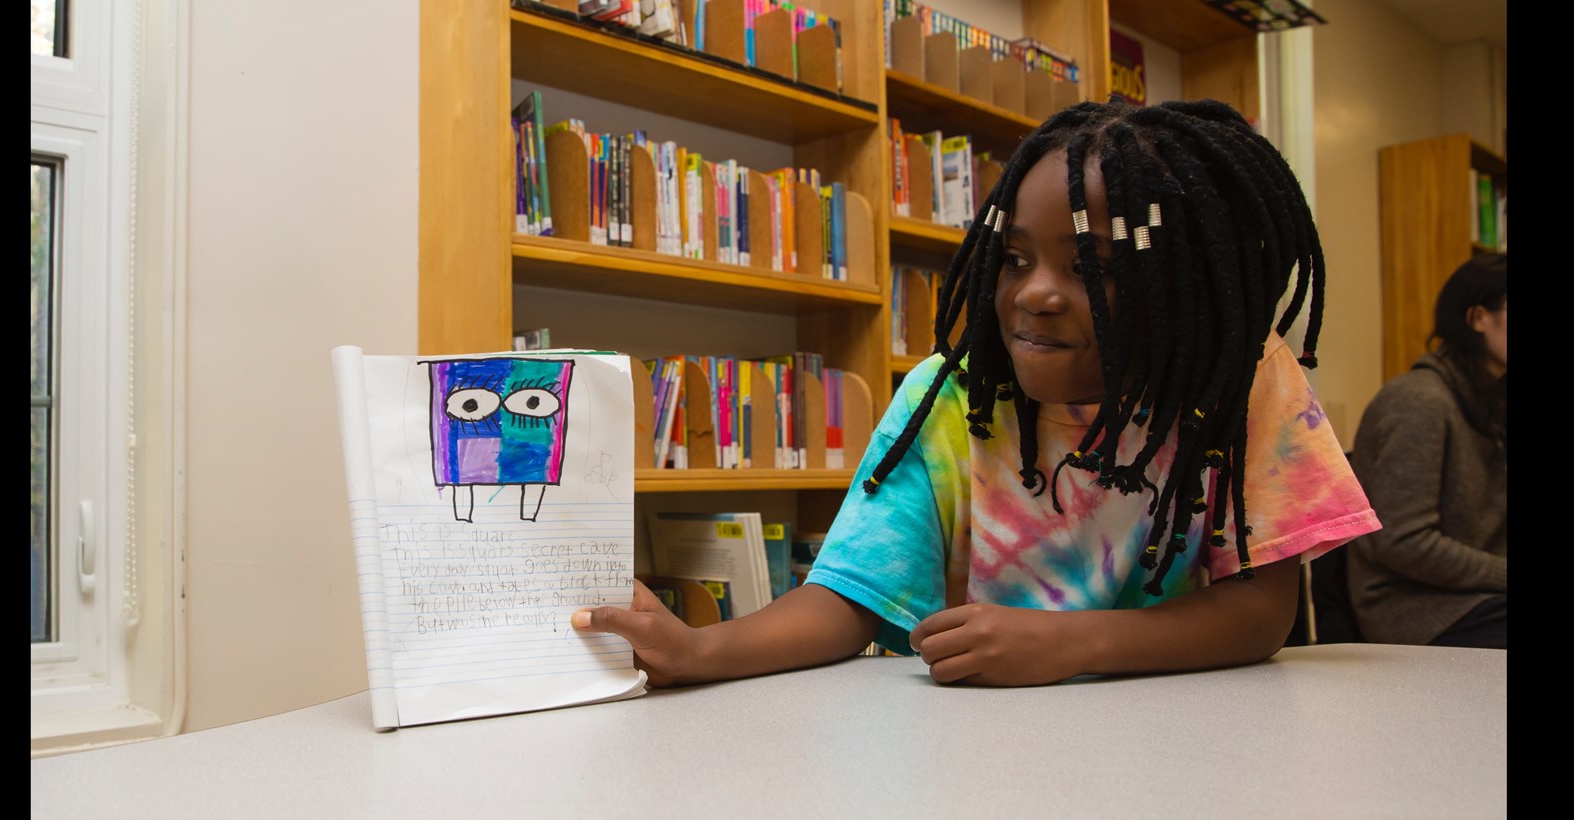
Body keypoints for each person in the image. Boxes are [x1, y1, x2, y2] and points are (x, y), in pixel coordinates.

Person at [574, 98, 1381, 687]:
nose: (1036, 294)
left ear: (1181, 284)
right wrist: (699, 651)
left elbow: (1261, 611)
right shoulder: (951, 396)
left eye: (1090, 267)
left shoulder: (1241, 380)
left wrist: (1071, 644)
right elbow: (851, 596)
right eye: (1016, 259)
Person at [1346, 253, 1506, 648]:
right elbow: (1404, 542)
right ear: (1478, 318)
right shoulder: (1419, 402)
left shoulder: (1490, 398)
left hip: (1479, 596)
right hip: (1419, 608)